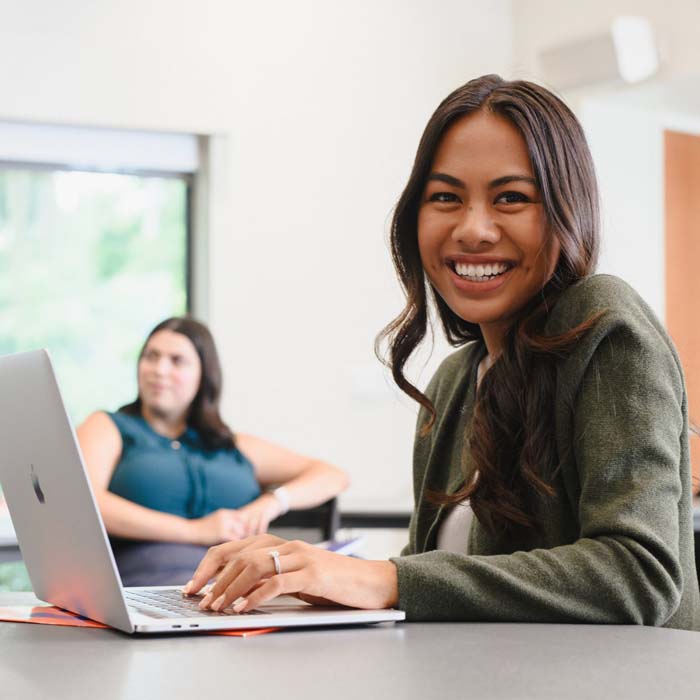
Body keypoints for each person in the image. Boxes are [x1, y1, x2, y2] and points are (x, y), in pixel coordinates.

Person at [186, 75, 700, 630]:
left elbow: (640, 576)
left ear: (564, 211)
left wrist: (382, 579)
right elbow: (442, 587)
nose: (473, 230)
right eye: (445, 198)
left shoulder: (603, 319)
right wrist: (302, 580)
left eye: (511, 198)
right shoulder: (454, 382)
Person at [77, 317, 349, 586]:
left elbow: (332, 476)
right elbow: (86, 500)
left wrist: (273, 501)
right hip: (155, 581)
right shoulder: (109, 427)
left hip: (242, 588)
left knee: (338, 582)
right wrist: (196, 531)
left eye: (177, 360)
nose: (159, 369)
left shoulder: (234, 446)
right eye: (151, 356)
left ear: (203, 374)